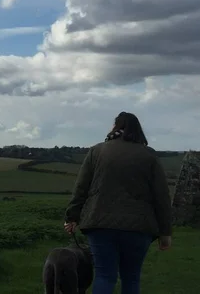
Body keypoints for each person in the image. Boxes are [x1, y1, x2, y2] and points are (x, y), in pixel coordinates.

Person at [63, 111, 173, 294]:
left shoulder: (97, 151)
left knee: (104, 276)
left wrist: (71, 217)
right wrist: (165, 232)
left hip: (100, 223)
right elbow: (161, 196)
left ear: (116, 127)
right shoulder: (149, 155)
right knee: (131, 277)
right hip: (139, 227)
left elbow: (81, 188)